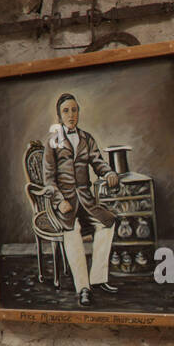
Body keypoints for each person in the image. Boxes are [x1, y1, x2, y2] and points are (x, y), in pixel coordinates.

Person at [42, 93, 120, 306]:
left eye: (74, 110)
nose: (71, 115)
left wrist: (109, 173)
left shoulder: (87, 139)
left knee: (108, 223)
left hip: (86, 200)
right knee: (72, 231)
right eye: (66, 111)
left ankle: (97, 278)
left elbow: (98, 162)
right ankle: (83, 287)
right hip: (65, 203)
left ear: (79, 112)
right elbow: (48, 180)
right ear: (59, 115)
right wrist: (59, 201)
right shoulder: (52, 142)